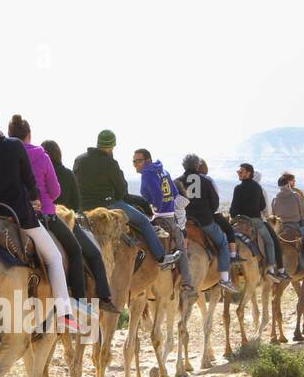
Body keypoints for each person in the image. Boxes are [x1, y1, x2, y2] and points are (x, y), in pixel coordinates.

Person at [0, 106, 80, 334]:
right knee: (55, 257)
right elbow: (29, 180)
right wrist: (35, 199)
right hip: (17, 215)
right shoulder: (14, 145)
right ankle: (65, 313)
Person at [7, 115, 101, 319]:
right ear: (29, 135)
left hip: (8, 214)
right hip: (43, 215)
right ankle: (75, 304)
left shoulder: (3, 155)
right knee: (74, 251)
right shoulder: (41, 155)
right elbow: (55, 190)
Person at [72, 130, 181, 271]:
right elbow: (121, 190)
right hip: (109, 205)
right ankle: (161, 258)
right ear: (112, 146)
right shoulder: (110, 162)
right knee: (143, 222)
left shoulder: (79, 160)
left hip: (83, 209)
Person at [42, 140, 118, 314]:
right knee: (94, 254)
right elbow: (76, 205)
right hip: (65, 221)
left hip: (39, 221)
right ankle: (103, 297)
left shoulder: (36, 171)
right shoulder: (66, 174)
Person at [133, 148, 194, 292]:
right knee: (182, 249)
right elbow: (174, 192)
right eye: (133, 161)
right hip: (171, 218)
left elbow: (157, 195)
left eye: (138, 161)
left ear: (147, 160)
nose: (135, 164)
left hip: (158, 217)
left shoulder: (147, 174)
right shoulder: (164, 171)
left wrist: (155, 212)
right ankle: (187, 281)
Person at [178, 154, 239, 294]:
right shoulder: (206, 181)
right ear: (197, 166)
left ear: (184, 166)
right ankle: (224, 278)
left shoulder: (177, 181)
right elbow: (215, 203)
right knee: (223, 243)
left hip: (183, 223)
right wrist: (207, 212)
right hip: (204, 222)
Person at [229, 162, 286, 282]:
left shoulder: (238, 188)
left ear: (248, 173)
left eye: (241, 171)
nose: (239, 173)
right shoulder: (257, 187)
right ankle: (271, 268)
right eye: (238, 171)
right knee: (270, 241)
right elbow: (262, 206)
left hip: (239, 221)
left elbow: (233, 209)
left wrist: (235, 215)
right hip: (255, 221)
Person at [273, 171, 304, 267]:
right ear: (288, 184)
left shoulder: (275, 199)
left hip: (281, 227)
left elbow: (274, 214)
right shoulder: (295, 195)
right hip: (296, 225)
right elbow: (303, 212)